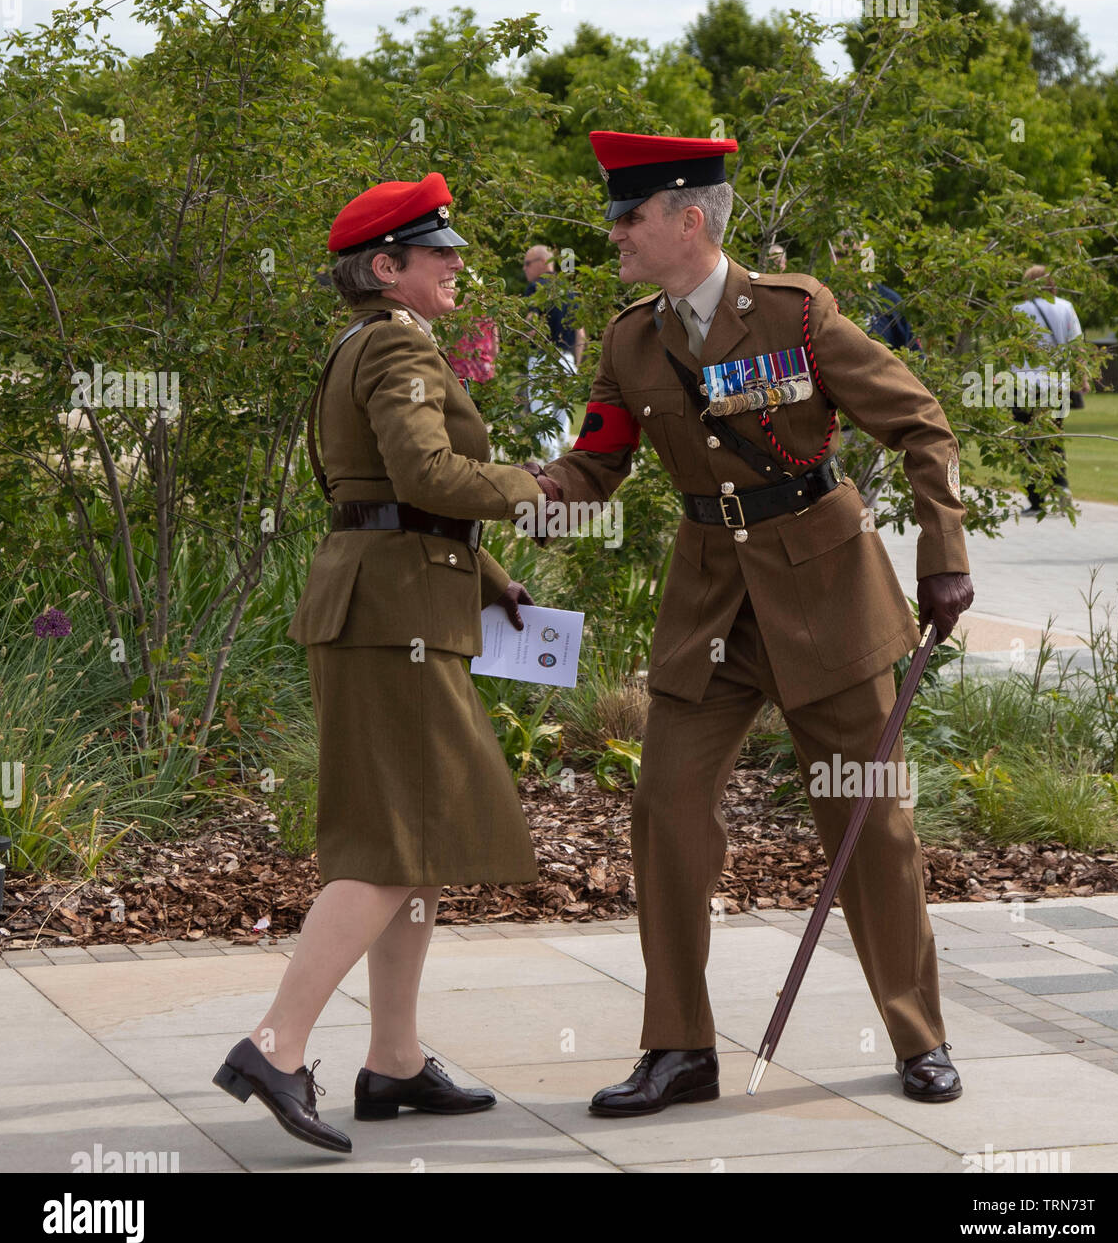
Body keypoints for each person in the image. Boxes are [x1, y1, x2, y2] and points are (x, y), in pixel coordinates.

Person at [529, 131, 974, 1116]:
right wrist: (503, 494)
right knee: (666, 813)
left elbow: (921, 422)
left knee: (868, 826)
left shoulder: (794, 315)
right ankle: (678, 1047)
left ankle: (918, 1032)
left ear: (690, 219)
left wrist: (944, 552)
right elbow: (592, 466)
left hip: (824, 594)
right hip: (709, 606)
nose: (614, 234)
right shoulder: (630, 340)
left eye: (629, 216)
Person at [212, 173, 560, 1153]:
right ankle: (275, 1046)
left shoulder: (357, 345)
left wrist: (485, 572)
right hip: (391, 618)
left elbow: (377, 491)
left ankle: (395, 1060)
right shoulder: (399, 343)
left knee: (421, 843)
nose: (457, 263)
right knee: (388, 843)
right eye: (435, 250)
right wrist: (540, 484)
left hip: (389, 600)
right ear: (386, 268)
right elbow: (424, 474)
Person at [1012, 264, 1088, 516]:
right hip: (1055, 385)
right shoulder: (1064, 307)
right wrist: (1083, 377)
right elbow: (1076, 345)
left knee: (1024, 441)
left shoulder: (1016, 311)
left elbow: (1008, 351)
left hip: (1023, 385)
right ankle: (1061, 487)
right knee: (1053, 437)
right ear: (1051, 284)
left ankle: (1036, 499)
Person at [522, 244, 587, 457]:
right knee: (562, 419)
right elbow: (581, 334)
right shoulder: (570, 289)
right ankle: (563, 470)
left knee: (543, 417)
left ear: (543, 262)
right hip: (567, 360)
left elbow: (531, 327)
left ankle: (549, 471)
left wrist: (519, 337)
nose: (524, 269)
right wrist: (575, 365)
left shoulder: (537, 288)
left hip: (543, 359)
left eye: (527, 263)